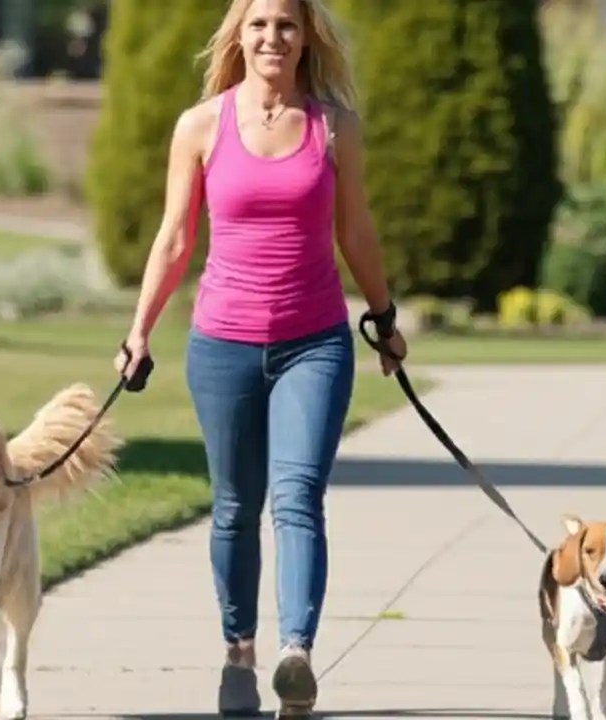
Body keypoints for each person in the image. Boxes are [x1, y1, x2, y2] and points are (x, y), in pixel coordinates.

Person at [113, 0, 407, 715]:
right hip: (222, 345)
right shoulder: (201, 126)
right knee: (235, 509)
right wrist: (139, 331)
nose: (272, 36)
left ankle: (296, 652)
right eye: (259, 24)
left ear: (306, 38)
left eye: (286, 24)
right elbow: (175, 238)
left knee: (298, 497)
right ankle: (239, 647)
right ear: (238, 36)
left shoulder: (334, 128)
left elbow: (356, 230)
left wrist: (383, 314)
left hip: (315, 342)